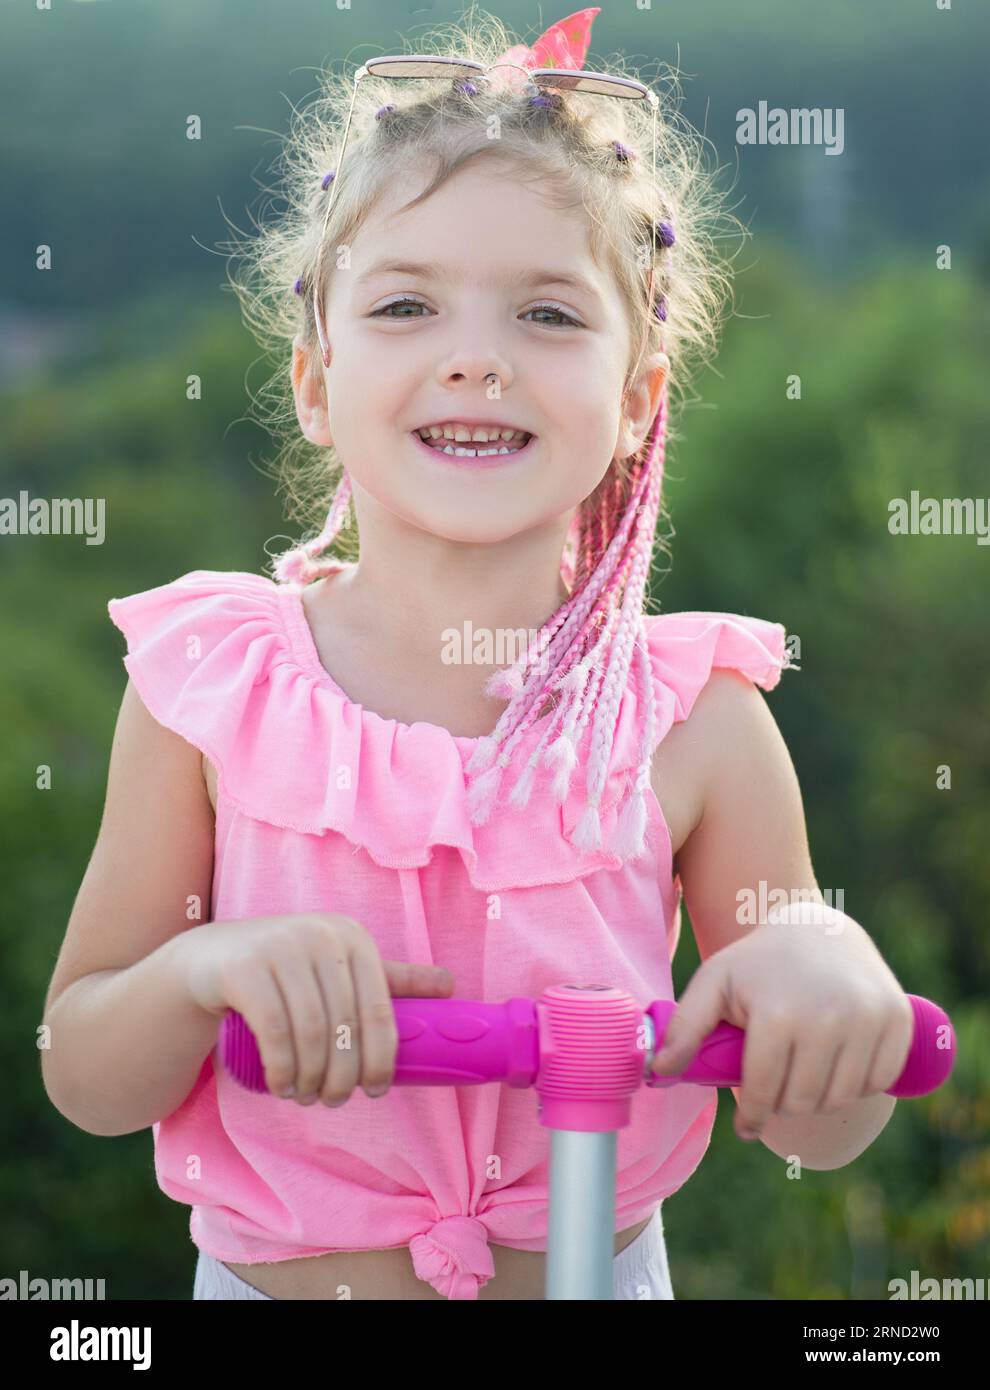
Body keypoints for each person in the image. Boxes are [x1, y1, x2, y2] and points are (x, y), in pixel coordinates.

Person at [40, 6, 914, 1301]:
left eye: (548, 316)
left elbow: (816, 1123)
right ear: (314, 383)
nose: (473, 359)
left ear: (635, 400)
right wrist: (200, 968)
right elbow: (87, 1073)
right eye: (403, 304)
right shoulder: (210, 691)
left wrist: (830, 972)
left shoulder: (697, 720)